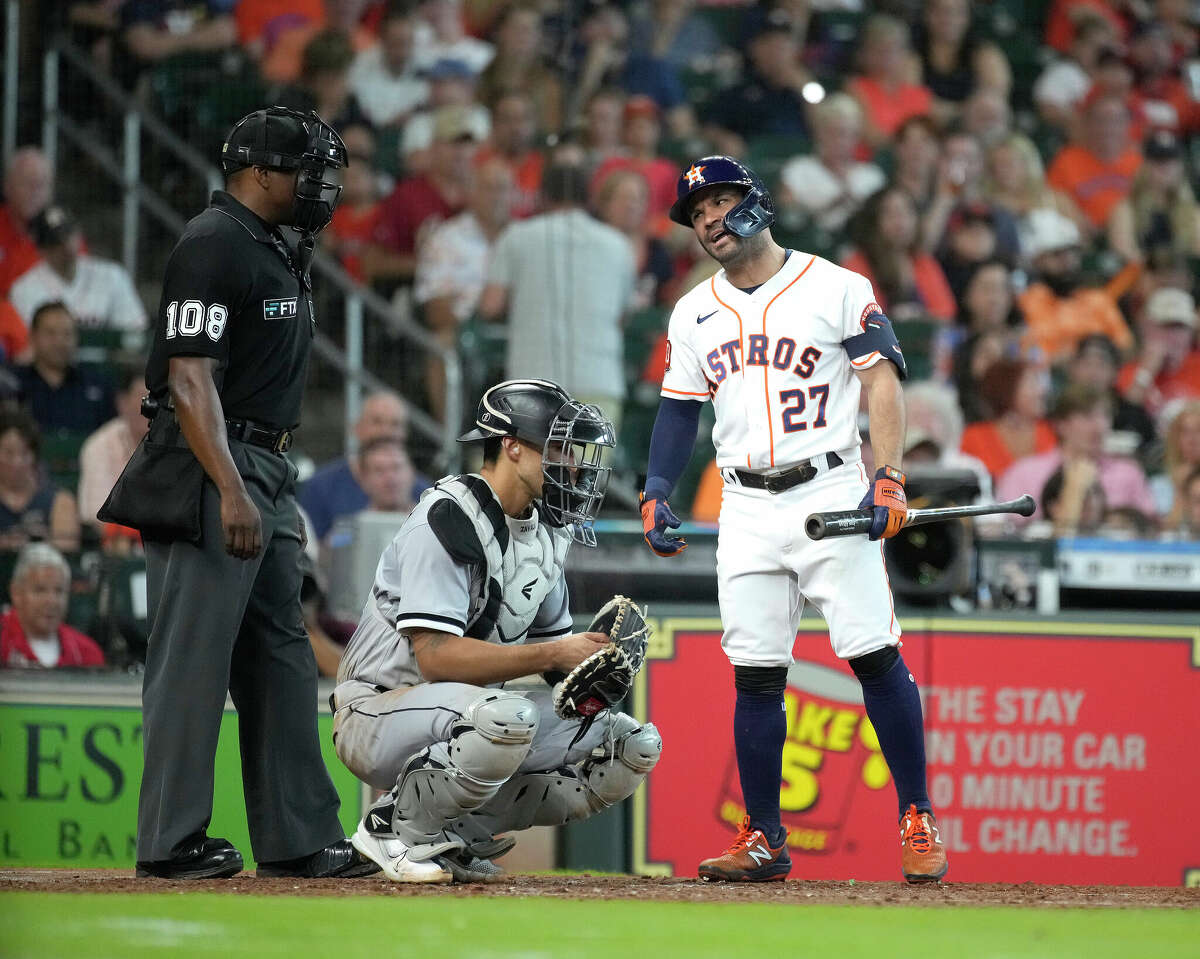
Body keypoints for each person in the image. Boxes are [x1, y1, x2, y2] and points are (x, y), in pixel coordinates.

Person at [639, 155, 948, 883]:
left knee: (873, 652)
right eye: (697, 213)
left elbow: (882, 380)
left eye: (719, 200)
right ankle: (765, 837)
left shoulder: (836, 285)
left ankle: (917, 813)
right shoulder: (694, 310)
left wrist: (891, 474)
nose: (710, 218)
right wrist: (656, 486)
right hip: (744, 500)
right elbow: (680, 407)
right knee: (755, 673)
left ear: (755, 200)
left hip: (829, 489)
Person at [131, 107, 373, 881]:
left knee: (282, 651)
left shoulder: (275, 246)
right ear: (259, 173)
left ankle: (299, 836)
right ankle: (170, 843)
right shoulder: (212, 242)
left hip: (266, 465)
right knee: (193, 659)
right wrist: (231, 488)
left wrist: (260, 484)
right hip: (213, 461)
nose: (321, 186)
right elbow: (188, 374)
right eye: (309, 169)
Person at [333, 378, 662, 882]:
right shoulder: (448, 517)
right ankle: (391, 829)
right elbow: (436, 658)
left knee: (625, 743)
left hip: (461, 712)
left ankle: (453, 834)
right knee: (507, 718)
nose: (571, 464)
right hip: (378, 707)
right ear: (511, 447)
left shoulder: (547, 530)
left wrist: (593, 675)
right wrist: (554, 656)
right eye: (556, 448)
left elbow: (551, 658)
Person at [479, 162, 635, 433]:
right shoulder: (618, 244)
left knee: (532, 474)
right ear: (588, 197)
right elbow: (622, 316)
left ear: (543, 196)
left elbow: (490, 305)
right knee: (587, 474)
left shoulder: (517, 236)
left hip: (532, 385)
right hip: (598, 379)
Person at [415, 158, 514, 419]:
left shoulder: (525, 238)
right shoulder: (446, 238)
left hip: (518, 330)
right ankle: (451, 443)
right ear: (471, 192)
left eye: (503, 188)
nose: (496, 196)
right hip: (466, 329)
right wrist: (478, 317)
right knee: (441, 343)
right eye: (488, 188)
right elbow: (435, 310)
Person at [997, 384, 1157, 522]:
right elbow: (1010, 531)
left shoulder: (1128, 473)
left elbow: (1149, 527)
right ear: (1061, 424)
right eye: (1087, 416)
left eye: (1105, 415)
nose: (1099, 426)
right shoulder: (1025, 473)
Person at [300, 390, 429, 539]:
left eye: (395, 424)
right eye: (377, 422)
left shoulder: (426, 495)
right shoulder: (319, 487)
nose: (386, 432)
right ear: (356, 428)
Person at [1017, 209, 1134, 365]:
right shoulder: (1026, 302)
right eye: (1057, 254)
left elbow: (1126, 349)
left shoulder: (1098, 299)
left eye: (1072, 253)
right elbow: (1026, 355)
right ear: (1037, 260)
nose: (1068, 262)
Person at [9, 205, 148, 335]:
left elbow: (135, 332)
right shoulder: (24, 289)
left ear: (79, 233)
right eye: (56, 242)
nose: (66, 246)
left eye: (68, 235)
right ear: (41, 250)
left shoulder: (112, 276)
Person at [842, 186, 956, 323]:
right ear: (874, 221)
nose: (900, 221)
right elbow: (864, 318)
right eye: (890, 214)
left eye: (906, 212)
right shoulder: (856, 264)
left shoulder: (923, 262)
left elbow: (945, 312)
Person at [778, 93, 885, 235]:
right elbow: (788, 219)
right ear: (819, 134)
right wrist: (827, 207)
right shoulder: (798, 170)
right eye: (835, 133)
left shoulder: (872, 176)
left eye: (849, 134)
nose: (842, 141)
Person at [14, 301, 116, 435]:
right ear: (33, 337)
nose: (60, 342)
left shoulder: (98, 385)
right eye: (51, 333)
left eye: (67, 334)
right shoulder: (13, 384)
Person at [0, 543, 104, 669]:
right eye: (40, 590)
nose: (51, 601)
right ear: (16, 592)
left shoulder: (86, 653)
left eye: (59, 591)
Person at [77, 362, 149, 531]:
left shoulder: (173, 443)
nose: (152, 406)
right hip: (113, 548)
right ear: (122, 403)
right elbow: (96, 515)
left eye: (157, 398)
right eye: (144, 398)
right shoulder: (98, 446)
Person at [959, 358, 1057, 481]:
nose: (1041, 391)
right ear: (1007, 389)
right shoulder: (974, 437)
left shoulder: (1053, 431)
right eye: (1032, 384)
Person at [0, 409, 80, 552]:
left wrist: (37, 543)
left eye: (24, 453)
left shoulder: (60, 501)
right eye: (8, 453)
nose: (17, 462)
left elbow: (67, 550)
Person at [1117, 286, 1200, 417]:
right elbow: (1125, 420)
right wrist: (1147, 372)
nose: (1174, 336)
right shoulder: (1130, 372)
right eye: (1165, 326)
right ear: (1147, 329)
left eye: (1181, 327)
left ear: (1191, 333)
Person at [0, 147, 52, 296]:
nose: (35, 192)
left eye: (41, 185)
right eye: (27, 183)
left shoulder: (62, 234)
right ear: (7, 187)